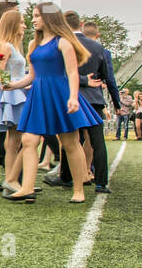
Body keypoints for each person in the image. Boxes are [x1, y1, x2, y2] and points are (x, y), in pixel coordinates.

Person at [3, 3, 102, 203]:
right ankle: (27, 188)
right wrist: (13, 85)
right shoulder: (33, 44)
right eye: (33, 16)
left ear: (49, 18)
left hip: (60, 94)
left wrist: (73, 97)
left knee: (70, 143)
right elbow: (32, 75)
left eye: (37, 15)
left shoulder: (63, 42)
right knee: (29, 140)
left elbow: (73, 72)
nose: (33, 19)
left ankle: (78, 190)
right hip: (38, 95)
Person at [49, 12, 118, 194]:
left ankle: (66, 177)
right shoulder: (97, 47)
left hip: (70, 96)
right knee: (97, 141)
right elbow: (106, 75)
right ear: (80, 23)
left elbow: (60, 72)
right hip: (94, 97)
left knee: (70, 140)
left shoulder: (61, 45)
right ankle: (101, 183)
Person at [0, 9, 29, 194]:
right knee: (15, 140)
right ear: (13, 24)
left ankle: (12, 179)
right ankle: (11, 179)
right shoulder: (5, 46)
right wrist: (13, 83)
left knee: (15, 140)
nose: (24, 25)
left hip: (18, 91)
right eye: (22, 22)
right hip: (12, 94)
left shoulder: (14, 46)